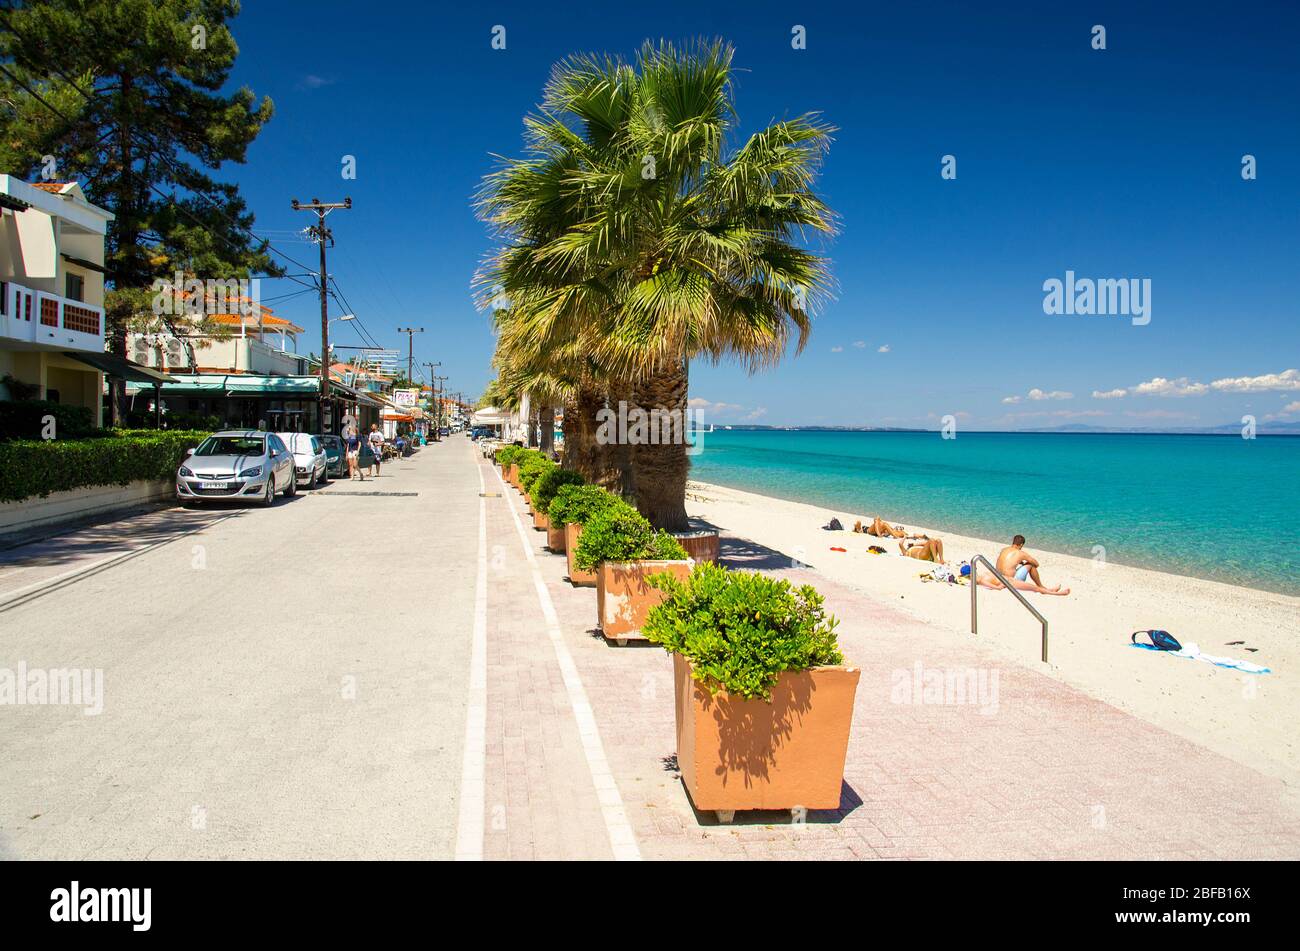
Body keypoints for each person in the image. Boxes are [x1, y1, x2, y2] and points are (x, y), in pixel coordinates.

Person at [991, 535, 1070, 595]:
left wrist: (1019, 562)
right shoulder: (1021, 553)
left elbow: (1007, 563)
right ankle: (1041, 587)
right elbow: (1036, 563)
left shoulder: (1004, 550)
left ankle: (1042, 588)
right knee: (1031, 565)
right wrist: (1024, 562)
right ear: (1021, 544)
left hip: (999, 578)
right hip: (1011, 581)